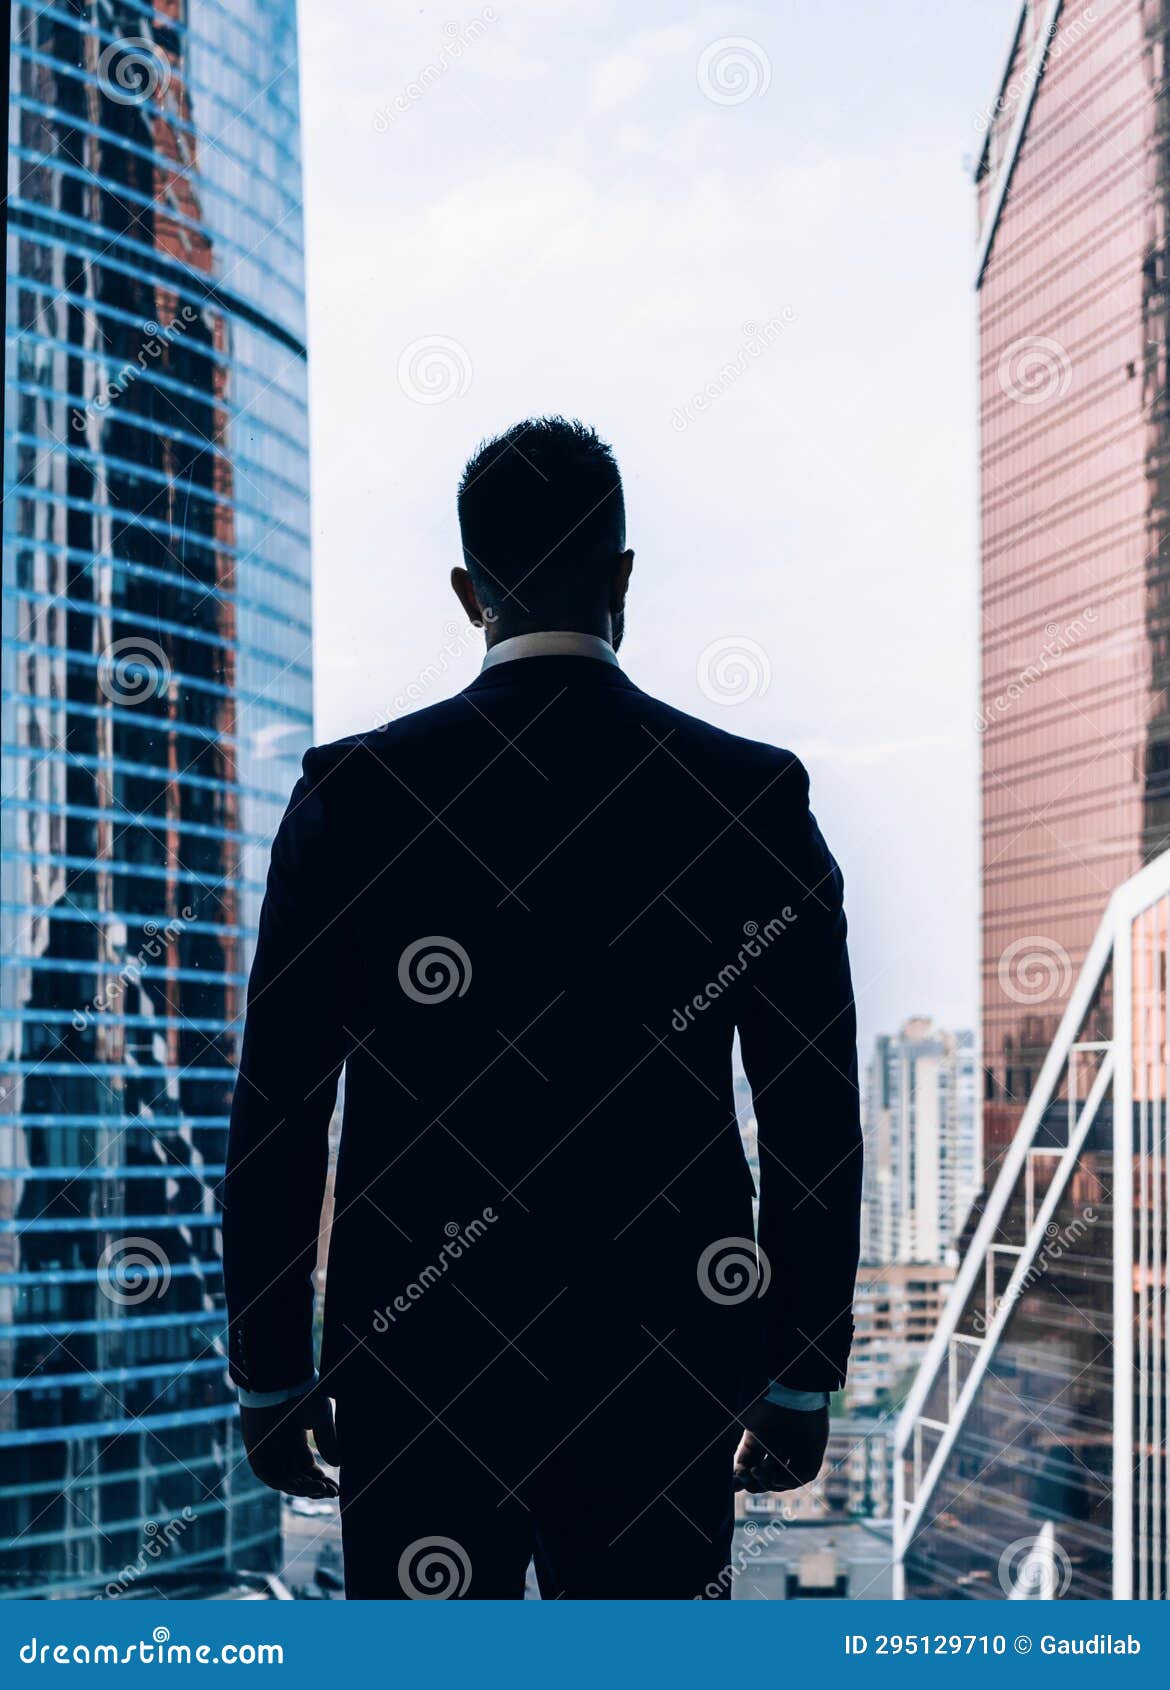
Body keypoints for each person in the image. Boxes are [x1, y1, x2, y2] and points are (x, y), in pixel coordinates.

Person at [223, 417, 862, 1599]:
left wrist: (269, 1368)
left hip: (417, 1363)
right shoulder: (750, 798)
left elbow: (276, 1112)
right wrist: (799, 1370)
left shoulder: (353, 799)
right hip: (662, 1361)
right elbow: (811, 1117)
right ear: (623, 578)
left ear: (470, 591)